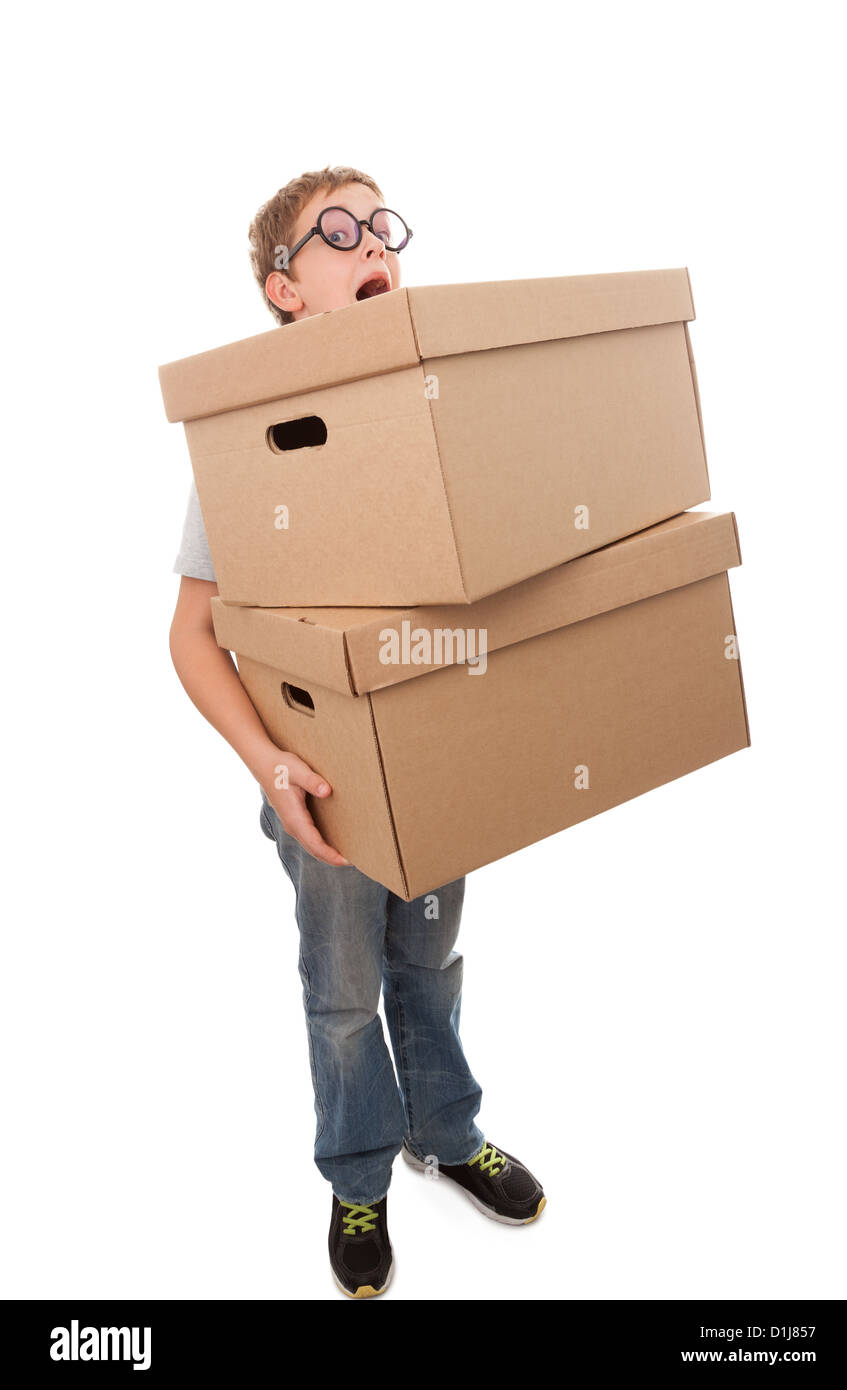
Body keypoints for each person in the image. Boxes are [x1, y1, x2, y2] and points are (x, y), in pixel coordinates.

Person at [168, 165, 545, 1299]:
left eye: (382, 225)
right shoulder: (250, 440)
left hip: (433, 760)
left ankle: (443, 1127)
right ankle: (358, 1172)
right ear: (285, 290)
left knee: (425, 959)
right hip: (321, 780)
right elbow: (192, 635)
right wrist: (271, 767)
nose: (371, 239)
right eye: (336, 231)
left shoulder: (439, 411)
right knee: (342, 987)